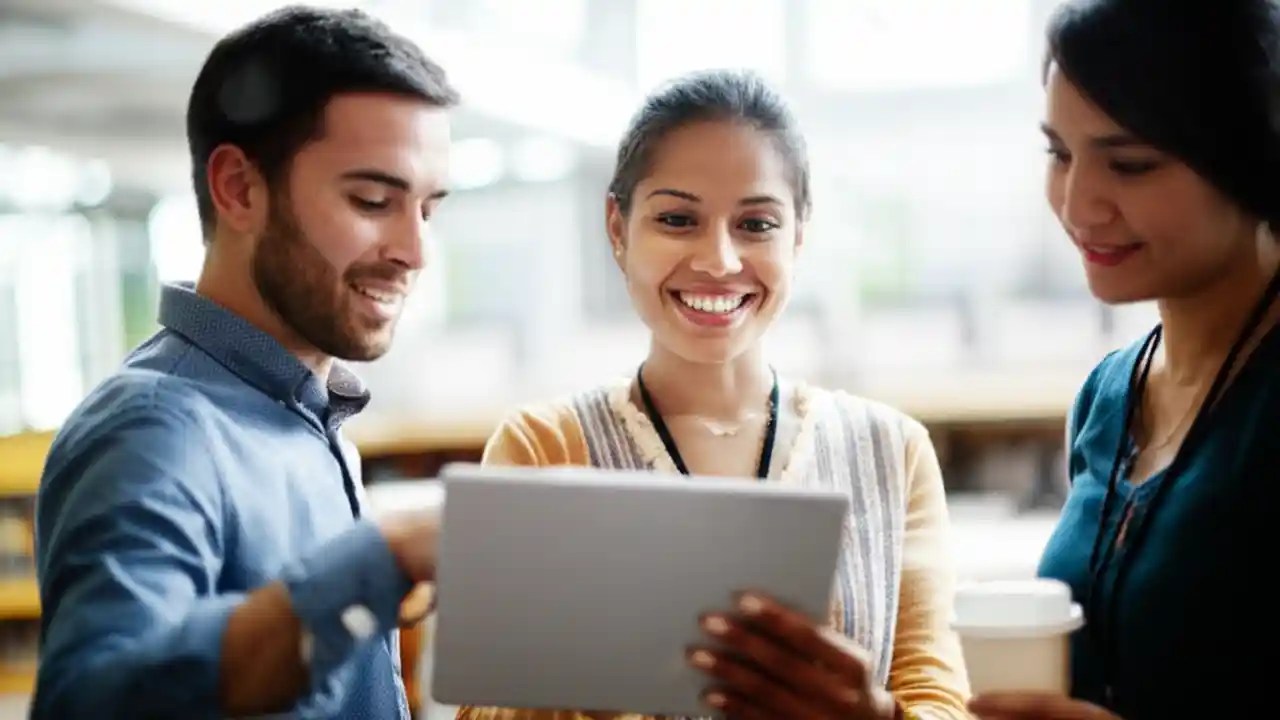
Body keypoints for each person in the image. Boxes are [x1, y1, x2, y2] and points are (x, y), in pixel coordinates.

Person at [456, 69, 971, 720]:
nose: (721, 260)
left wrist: (870, 715)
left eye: (756, 224)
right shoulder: (542, 446)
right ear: (618, 229)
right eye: (677, 219)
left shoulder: (891, 451)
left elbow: (941, 704)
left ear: (799, 236)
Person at [33, 6, 455, 718]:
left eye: (428, 209)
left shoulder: (311, 421)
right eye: (373, 200)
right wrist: (381, 560)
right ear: (239, 189)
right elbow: (94, 699)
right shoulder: (153, 429)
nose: (415, 251)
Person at [968, 2, 1280, 719]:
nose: (1079, 204)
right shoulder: (1109, 395)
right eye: (1058, 153)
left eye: (1130, 164)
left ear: (1253, 155)